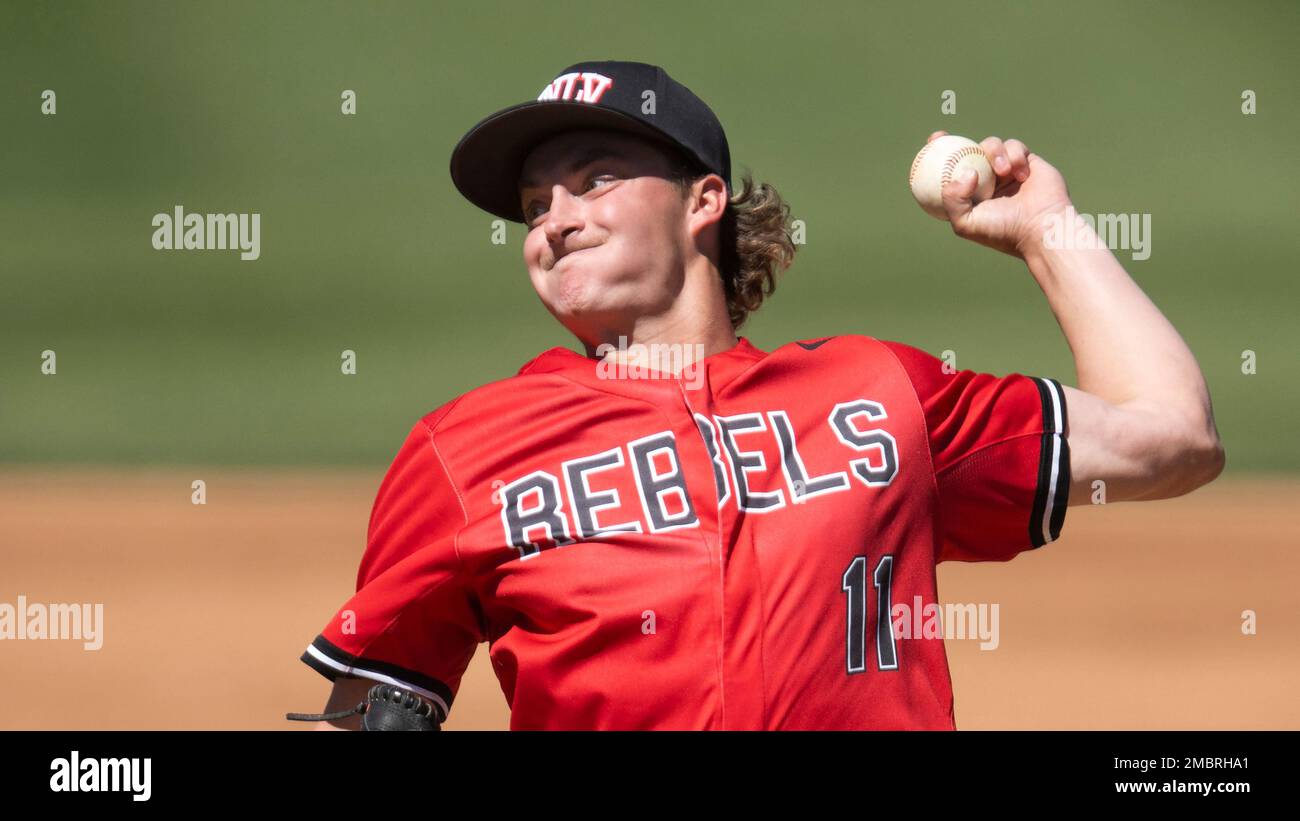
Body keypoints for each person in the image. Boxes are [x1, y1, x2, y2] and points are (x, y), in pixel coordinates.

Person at [296, 60, 1224, 730]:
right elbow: (375, 705)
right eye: (537, 204)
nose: (557, 221)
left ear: (704, 201)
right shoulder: (465, 451)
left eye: (597, 180)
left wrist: (1046, 229)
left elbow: (1173, 432)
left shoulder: (878, 392)